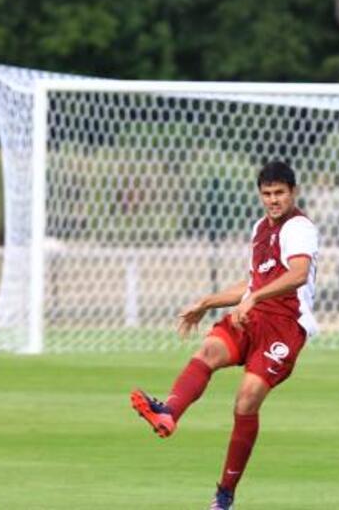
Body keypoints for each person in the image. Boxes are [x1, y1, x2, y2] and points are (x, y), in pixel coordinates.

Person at [130, 160, 319, 510]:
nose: (273, 200)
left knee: (246, 399)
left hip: (286, 324)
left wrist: (254, 299)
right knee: (209, 351)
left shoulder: (299, 227)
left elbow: (298, 275)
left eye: (280, 193)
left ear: (294, 192)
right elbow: (252, 283)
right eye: (267, 194)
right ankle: (169, 412)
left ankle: (224, 495)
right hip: (254, 314)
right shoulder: (260, 228)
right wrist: (208, 300)